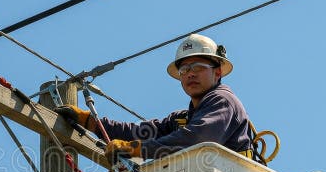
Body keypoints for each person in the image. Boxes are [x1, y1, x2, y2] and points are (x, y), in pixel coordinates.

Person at [57, 34, 252, 162]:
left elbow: (196, 138)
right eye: (184, 70)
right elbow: (139, 132)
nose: (190, 74)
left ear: (218, 72)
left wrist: (135, 149)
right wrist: (89, 121)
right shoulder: (181, 120)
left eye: (198, 67)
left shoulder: (223, 101)